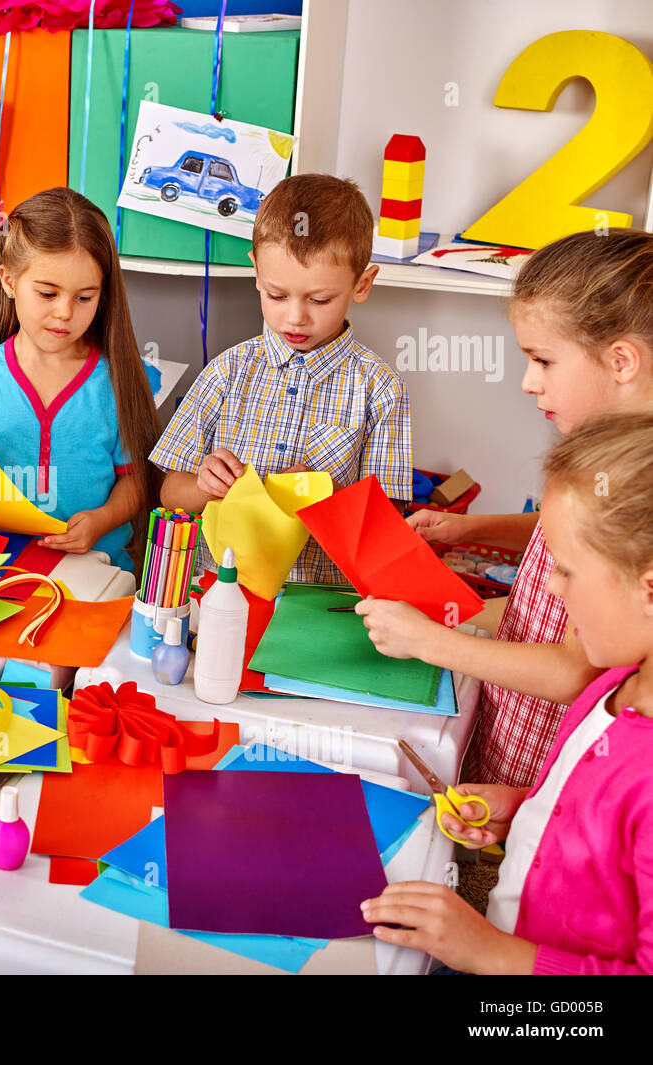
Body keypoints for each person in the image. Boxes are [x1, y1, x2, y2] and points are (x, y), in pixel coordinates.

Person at [358, 230, 653, 786]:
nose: (526, 382)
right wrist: (471, 527)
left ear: (621, 360)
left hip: (544, 761)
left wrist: (429, 642)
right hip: (509, 739)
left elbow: (572, 670)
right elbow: (561, 533)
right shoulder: (607, 455)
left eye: (543, 360)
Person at [364, 412, 653, 975]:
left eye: (566, 570)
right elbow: (600, 834)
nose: (547, 585)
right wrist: (526, 809)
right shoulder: (615, 685)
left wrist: (489, 953)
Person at [152, 173, 412, 579]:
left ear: (362, 284)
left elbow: (386, 521)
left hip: (319, 600)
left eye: (320, 299)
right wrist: (204, 485)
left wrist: (322, 499)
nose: (295, 317)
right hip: (221, 590)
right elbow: (171, 494)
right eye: (276, 295)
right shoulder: (226, 371)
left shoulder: (379, 389)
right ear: (256, 272)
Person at [0, 188, 160, 572]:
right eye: (48, 293)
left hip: (91, 570)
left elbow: (135, 482)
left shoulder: (117, 381)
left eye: (85, 298)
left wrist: (102, 520)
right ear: (9, 282)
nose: (64, 312)